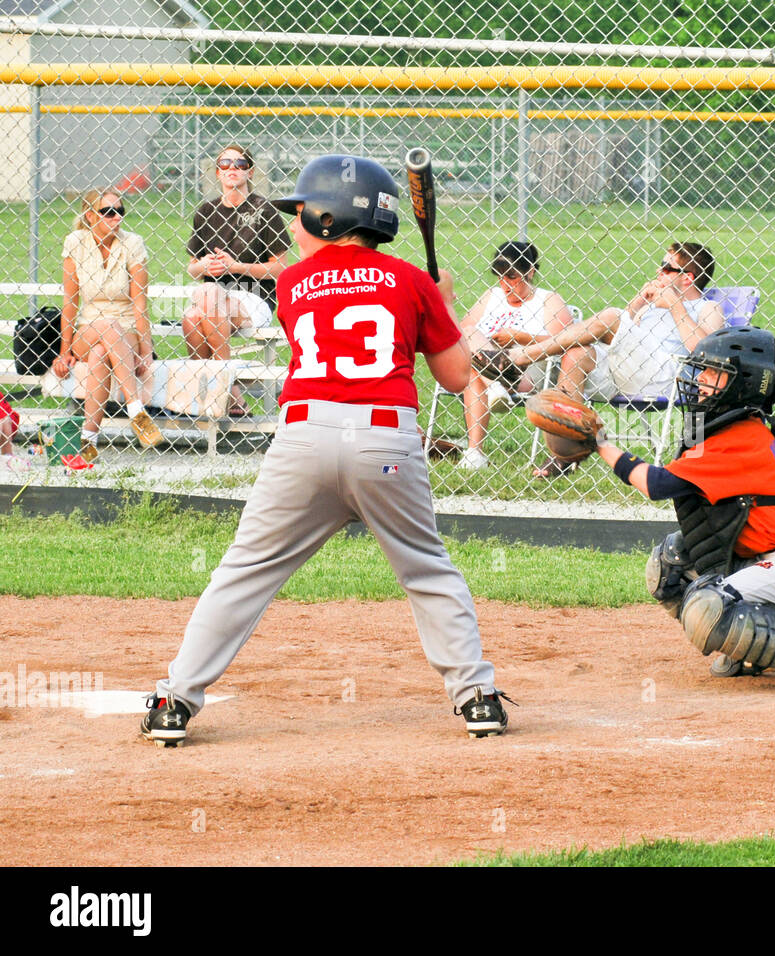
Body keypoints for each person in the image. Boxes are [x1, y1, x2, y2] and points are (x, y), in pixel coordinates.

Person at [141, 154, 511, 748]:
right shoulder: (411, 281)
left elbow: (336, 305)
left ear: (331, 220)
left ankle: (176, 700)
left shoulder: (290, 283)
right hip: (386, 443)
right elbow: (455, 377)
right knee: (425, 568)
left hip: (303, 440)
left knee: (244, 571)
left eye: (302, 215)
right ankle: (476, 696)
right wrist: (441, 303)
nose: (294, 225)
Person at [585, 325, 775, 695]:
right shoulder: (732, 430)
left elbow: (657, 485)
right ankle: (749, 648)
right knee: (670, 563)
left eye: (715, 373)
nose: (700, 380)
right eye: (703, 370)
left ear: (744, 383)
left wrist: (600, 443)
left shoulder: (740, 436)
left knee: (708, 606)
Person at [503, 241, 726, 477]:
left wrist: (674, 305)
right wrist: (639, 302)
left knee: (611, 315)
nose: (658, 272)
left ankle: (520, 358)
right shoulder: (653, 305)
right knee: (578, 353)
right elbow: (622, 336)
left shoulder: (707, 307)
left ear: (688, 278)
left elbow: (706, 353)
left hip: (665, 377)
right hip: (624, 373)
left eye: (666, 268)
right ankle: (565, 454)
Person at [52, 189, 163, 466]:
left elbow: (140, 303)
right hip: (86, 329)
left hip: (125, 330)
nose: (117, 217)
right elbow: (70, 302)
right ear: (90, 216)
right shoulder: (75, 242)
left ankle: (88, 441)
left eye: (120, 211)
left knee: (102, 352)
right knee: (103, 330)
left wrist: (147, 351)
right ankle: (136, 408)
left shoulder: (133, 244)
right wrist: (64, 351)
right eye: (108, 211)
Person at [183, 145, 293, 414]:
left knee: (203, 302)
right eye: (225, 163)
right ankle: (230, 396)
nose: (232, 168)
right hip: (213, 299)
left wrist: (237, 266)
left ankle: (223, 392)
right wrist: (205, 265)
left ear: (250, 171)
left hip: (254, 298)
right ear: (218, 172)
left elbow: (280, 268)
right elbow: (192, 269)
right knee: (191, 316)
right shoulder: (206, 212)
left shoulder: (263, 210)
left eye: (240, 163)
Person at [456, 241, 577, 470]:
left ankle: (475, 449)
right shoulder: (491, 296)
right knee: (471, 342)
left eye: (512, 277)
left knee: (475, 370)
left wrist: (519, 337)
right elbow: (462, 332)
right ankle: (476, 450)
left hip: (526, 371)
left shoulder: (548, 300)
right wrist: (489, 343)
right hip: (488, 368)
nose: (505, 284)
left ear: (529, 272)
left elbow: (564, 341)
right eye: (500, 277)